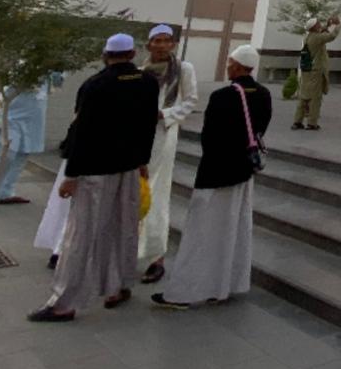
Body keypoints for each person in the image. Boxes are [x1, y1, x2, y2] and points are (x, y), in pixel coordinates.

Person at [27, 34, 158, 323]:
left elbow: (82, 133)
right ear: (133, 53)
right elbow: (148, 126)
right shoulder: (148, 82)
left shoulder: (95, 86)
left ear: (105, 54)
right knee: (125, 227)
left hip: (95, 171)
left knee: (81, 234)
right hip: (129, 168)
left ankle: (64, 301)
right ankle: (120, 285)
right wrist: (142, 162)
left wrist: (71, 174)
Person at [153, 45, 271, 310]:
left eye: (230, 63)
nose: (227, 66)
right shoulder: (264, 94)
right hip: (243, 172)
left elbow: (210, 136)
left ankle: (183, 292)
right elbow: (260, 129)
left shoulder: (222, 96)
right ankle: (225, 285)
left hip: (216, 172)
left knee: (201, 232)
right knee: (233, 230)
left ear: (240, 66)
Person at [138, 25, 197, 284]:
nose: (161, 45)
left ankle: (156, 256)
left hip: (163, 133)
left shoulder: (183, 70)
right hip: (139, 136)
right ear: (149, 44)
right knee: (137, 193)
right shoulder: (140, 73)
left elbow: (191, 100)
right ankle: (133, 251)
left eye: (166, 41)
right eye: (156, 41)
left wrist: (166, 115)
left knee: (157, 193)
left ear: (172, 44)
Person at [0, 77, 54, 207]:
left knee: (22, 155)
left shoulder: (53, 71)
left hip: (33, 117)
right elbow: (7, 90)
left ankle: (5, 193)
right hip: (12, 116)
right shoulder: (24, 64)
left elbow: (54, 86)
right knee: (6, 155)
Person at [291, 15, 341, 131]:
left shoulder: (308, 37)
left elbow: (321, 32)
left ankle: (297, 121)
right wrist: (337, 25)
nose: (320, 24)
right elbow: (331, 36)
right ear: (314, 26)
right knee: (315, 98)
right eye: (318, 23)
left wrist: (327, 26)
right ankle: (312, 123)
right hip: (315, 72)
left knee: (304, 96)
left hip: (307, 71)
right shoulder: (318, 38)